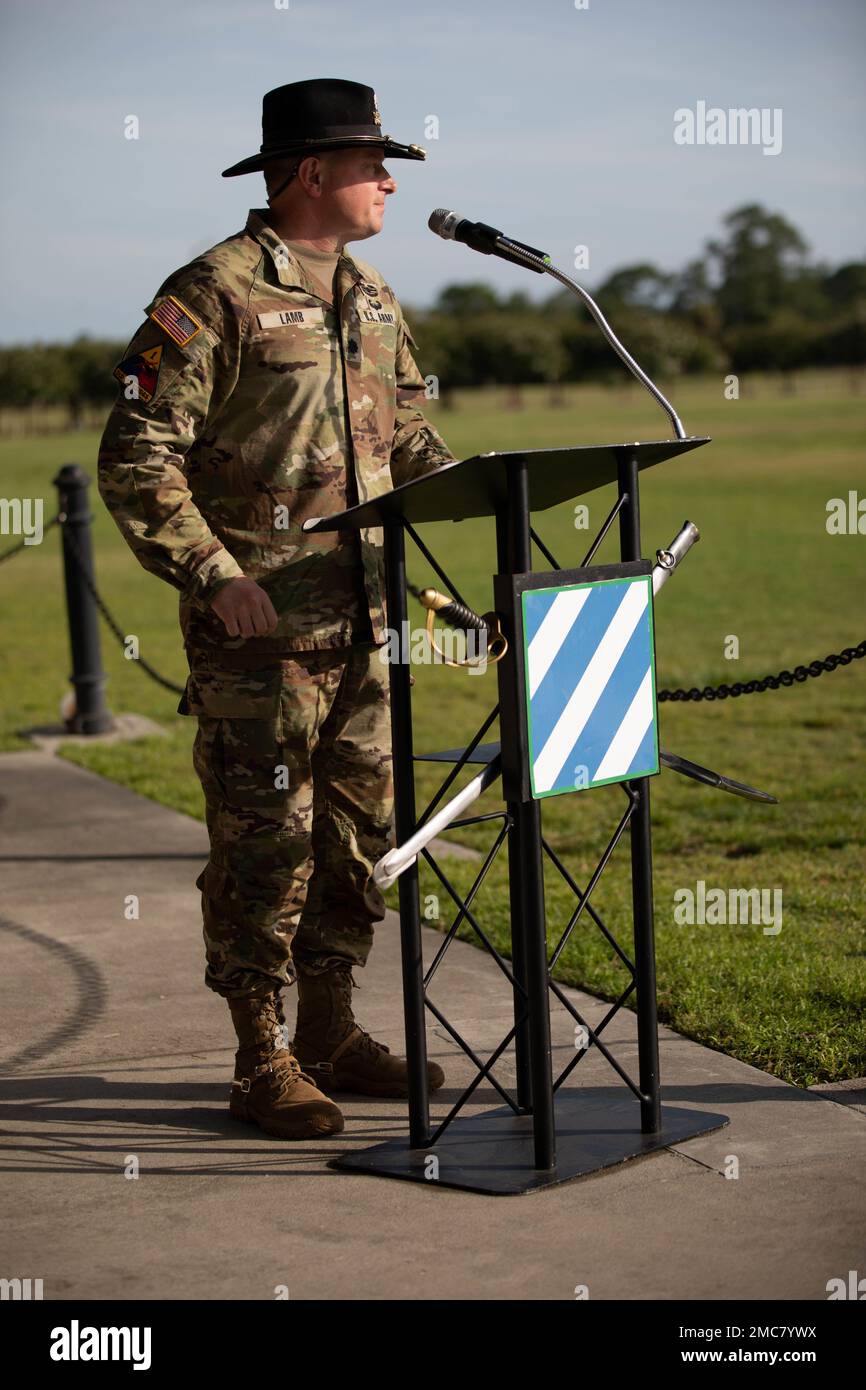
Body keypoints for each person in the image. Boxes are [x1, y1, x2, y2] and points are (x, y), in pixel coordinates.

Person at [97, 79, 456, 1140]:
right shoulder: (209, 294)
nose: (389, 178)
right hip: (261, 642)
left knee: (354, 837)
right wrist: (214, 573)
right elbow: (136, 452)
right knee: (268, 841)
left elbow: (412, 445)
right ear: (311, 173)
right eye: (370, 163)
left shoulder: (373, 294)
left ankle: (333, 1030)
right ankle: (260, 1059)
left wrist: (502, 490)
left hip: (366, 628)